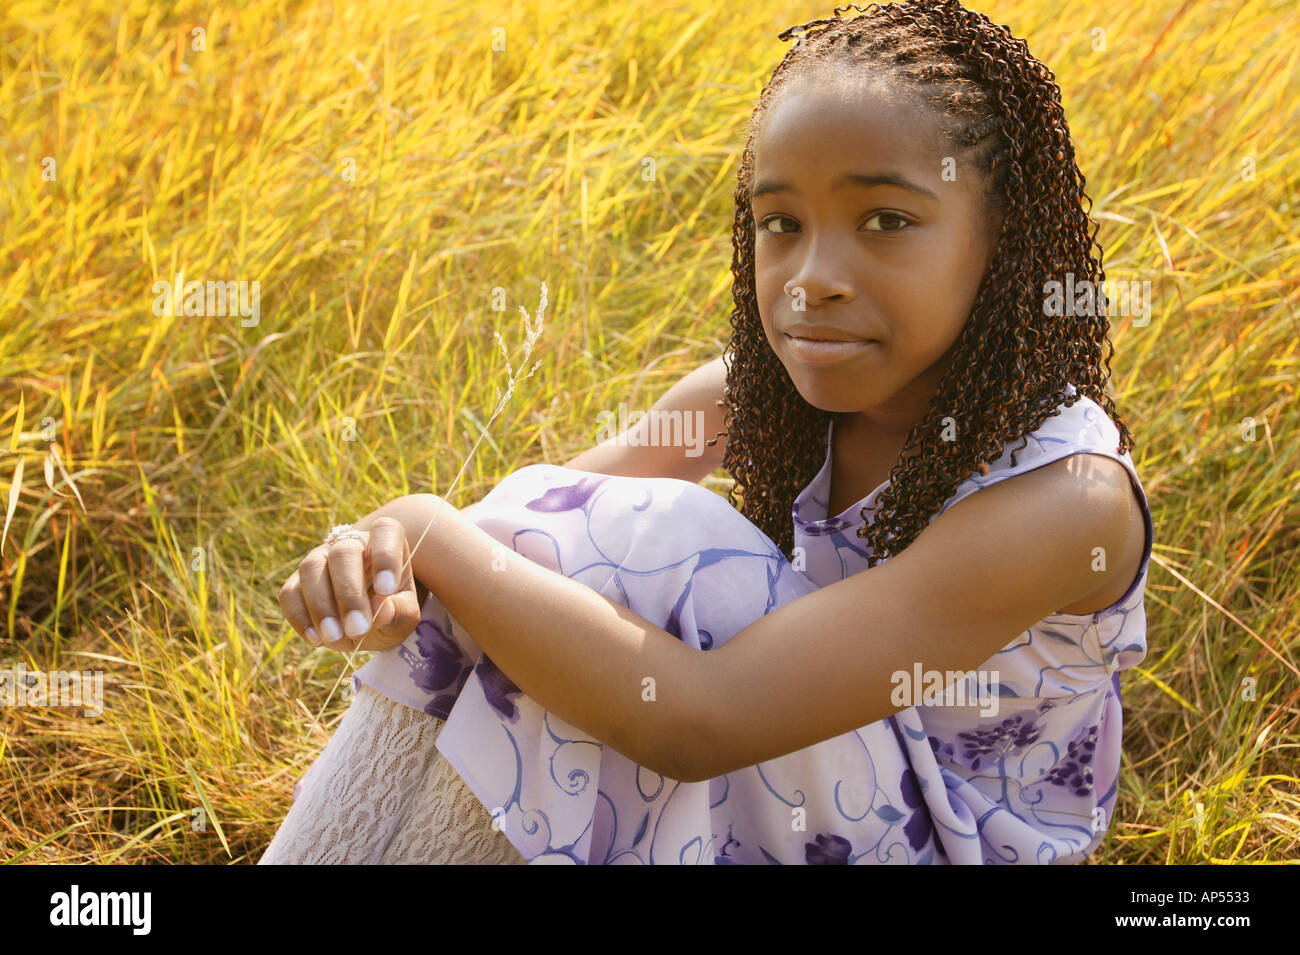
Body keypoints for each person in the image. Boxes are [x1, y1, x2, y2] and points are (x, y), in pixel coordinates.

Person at [259, 0, 1154, 865]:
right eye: (780, 224)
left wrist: (431, 526)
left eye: (887, 220)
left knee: (667, 546)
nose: (814, 278)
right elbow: (528, 536)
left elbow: (701, 723)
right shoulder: (754, 395)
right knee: (550, 582)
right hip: (809, 772)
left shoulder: (1066, 499)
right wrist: (389, 569)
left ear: (1002, 245)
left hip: (947, 835)